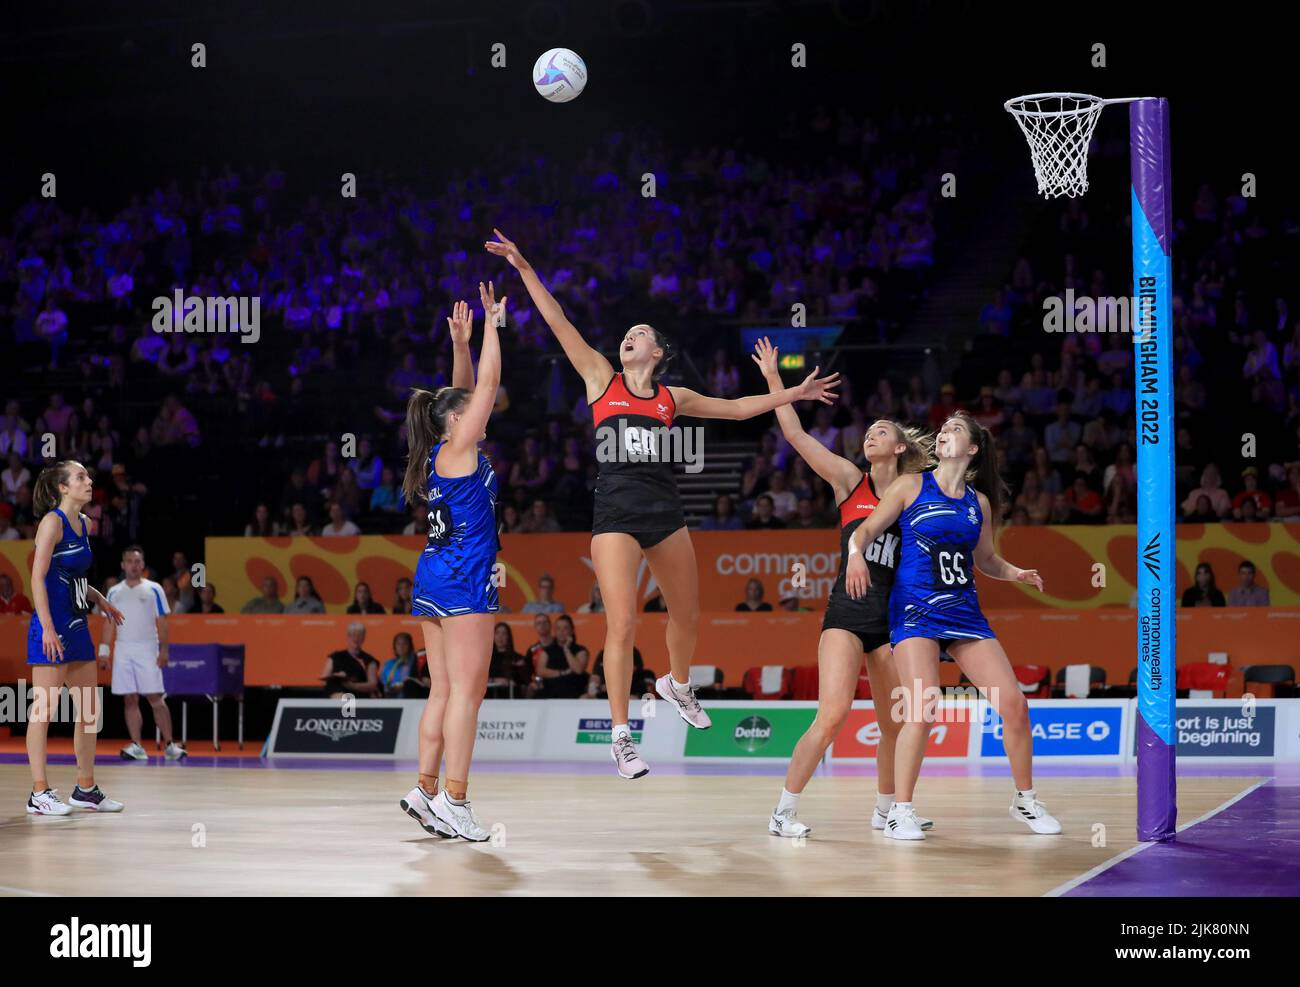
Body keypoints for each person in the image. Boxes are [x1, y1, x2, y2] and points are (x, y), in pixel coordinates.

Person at [487, 228, 839, 778]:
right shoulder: (601, 378)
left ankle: (677, 683)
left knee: (688, 616)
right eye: (627, 332)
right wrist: (524, 265)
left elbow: (740, 408)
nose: (630, 336)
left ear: (658, 352)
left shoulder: (675, 397)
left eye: (640, 333)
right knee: (622, 621)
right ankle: (622, 737)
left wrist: (790, 392)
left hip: (664, 512)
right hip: (615, 516)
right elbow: (558, 321)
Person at [846, 412, 1061, 840]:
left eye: (955, 429)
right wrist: (855, 554)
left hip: (964, 614)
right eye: (943, 428)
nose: (944, 431)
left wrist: (1016, 573)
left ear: (974, 449)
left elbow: (986, 560)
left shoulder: (977, 503)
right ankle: (900, 812)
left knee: (1015, 705)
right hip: (914, 611)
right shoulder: (911, 486)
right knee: (923, 708)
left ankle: (1025, 801)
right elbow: (865, 529)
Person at [753, 337, 937, 838]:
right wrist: (775, 379)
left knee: (894, 723)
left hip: (894, 622)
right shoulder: (848, 480)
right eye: (869, 431)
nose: (870, 435)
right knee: (832, 715)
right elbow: (795, 436)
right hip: (847, 616)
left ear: (900, 448)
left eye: (882, 432)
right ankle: (782, 812)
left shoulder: (917, 496)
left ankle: (887, 810)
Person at [398, 285, 503, 842]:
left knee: (443, 690)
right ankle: (456, 800)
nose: (484, 410)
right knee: (468, 692)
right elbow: (485, 387)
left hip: (435, 573)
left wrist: (461, 345)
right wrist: (492, 324)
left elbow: (466, 391)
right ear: (457, 421)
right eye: (473, 412)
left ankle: (426, 789)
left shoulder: (446, 450)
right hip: (464, 576)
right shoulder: (459, 449)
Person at [25, 461, 127, 815]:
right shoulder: (51, 522)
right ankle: (39, 793)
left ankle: (85, 789)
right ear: (63, 488)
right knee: (43, 711)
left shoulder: (84, 523)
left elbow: (72, 577)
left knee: (88, 712)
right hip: (50, 629)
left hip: (77, 626)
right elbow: (38, 579)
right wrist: (48, 627)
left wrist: (100, 600)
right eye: (81, 477)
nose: (89, 481)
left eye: (87, 475)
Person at [104, 546, 187, 761]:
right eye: (129, 561)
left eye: (137, 561)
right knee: (130, 699)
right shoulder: (114, 592)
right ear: (123, 565)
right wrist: (104, 651)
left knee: (155, 697)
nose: (133, 565)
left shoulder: (154, 589)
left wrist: (165, 650)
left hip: (148, 648)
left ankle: (170, 745)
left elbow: (162, 621)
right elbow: (108, 623)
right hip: (123, 649)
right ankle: (137, 745)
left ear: (143, 565)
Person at [321, 622, 382, 697]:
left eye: (359, 635)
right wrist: (336, 677)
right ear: (347, 636)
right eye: (352, 635)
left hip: (358, 696)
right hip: (335, 694)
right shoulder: (334, 657)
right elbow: (324, 678)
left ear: (363, 638)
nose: (356, 638)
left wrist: (352, 686)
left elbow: (372, 685)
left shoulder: (369, 661)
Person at [488, 622, 529, 697]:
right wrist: (495, 680)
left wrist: (520, 670)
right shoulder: (486, 658)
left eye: (504, 633)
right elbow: (479, 680)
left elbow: (524, 682)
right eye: (497, 633)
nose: (500, 637)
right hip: (490, 698)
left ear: (508, 637)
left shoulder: (517, 658)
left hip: (511, 698)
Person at [380, 632, 420, 696]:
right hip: (392, 697)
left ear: (410, 646)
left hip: (411, 697)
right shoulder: (389, 664)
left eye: (405, 644)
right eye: (398, 644)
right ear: (394, 646)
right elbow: (384, 683)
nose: (401, 647)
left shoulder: (416, 662)